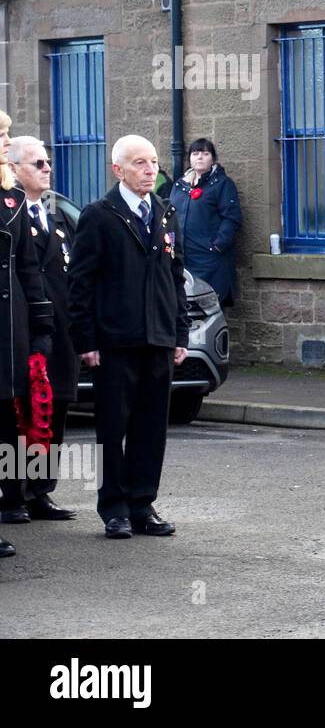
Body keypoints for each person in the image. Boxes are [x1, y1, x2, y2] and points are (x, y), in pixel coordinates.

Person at [68, 135, 189, 540]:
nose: (150, 169)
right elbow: (80, 283)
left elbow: (176, 280)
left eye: (153, 162)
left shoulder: (165, 212)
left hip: (157, 339)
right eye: (140, 163)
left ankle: (143, 503)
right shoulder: (100, 216)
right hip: (115, 342)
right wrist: (85, 340)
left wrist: (179, 334)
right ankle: (114, 507)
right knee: (112, 426)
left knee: (151, 427)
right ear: (118, 169)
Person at [9, 137, 78, 522]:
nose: (47, 168)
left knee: (54, 411)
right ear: (14, 169)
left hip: (61, 333)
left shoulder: (54, 214)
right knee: (21, 414)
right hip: (26, 331)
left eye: (48, 162)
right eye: (38, 163)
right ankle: (13, 492)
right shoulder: (12, 214)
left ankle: (40, 491)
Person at [0, 118, 56, 557]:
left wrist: (40, 327)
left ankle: (18, 496)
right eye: (0, 136)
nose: (4, 142)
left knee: (5, 421)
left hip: (9, 328)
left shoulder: (11, 201)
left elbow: (27, 269)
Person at [170, 138, 243, 307]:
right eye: (195, 153)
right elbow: (170, 216)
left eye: (205, 153)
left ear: (213, 159)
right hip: (182, 259)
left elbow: (232, 218)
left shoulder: (222, 184)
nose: (200, 157)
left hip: (209, 260)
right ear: (189, 158)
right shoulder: (180, 186)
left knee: (210, 309)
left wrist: (216, 246)